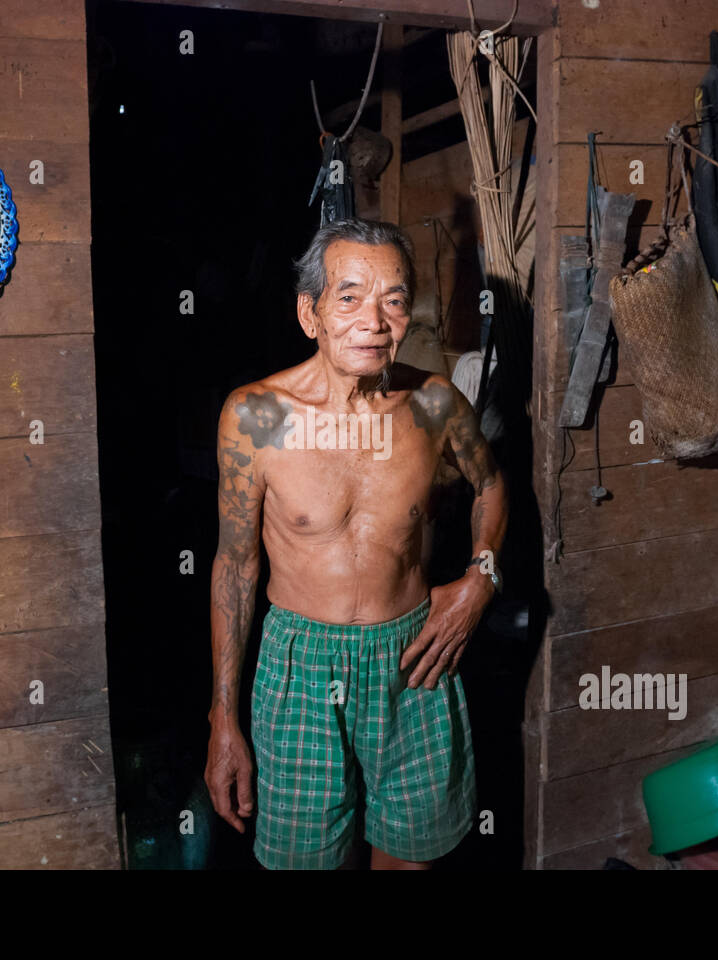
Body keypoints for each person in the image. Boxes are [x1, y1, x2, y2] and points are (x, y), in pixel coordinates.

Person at [204, 218, 508, 869]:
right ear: (308, 314)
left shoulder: (434, 403)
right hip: (299, 665)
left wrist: (482, 576)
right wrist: (222, 718)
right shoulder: (256, 416)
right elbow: (234, 566)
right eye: (349, 297)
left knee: (410, 856)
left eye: (393, 300)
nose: (373, 320)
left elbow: (490, 485)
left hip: (415, 656)